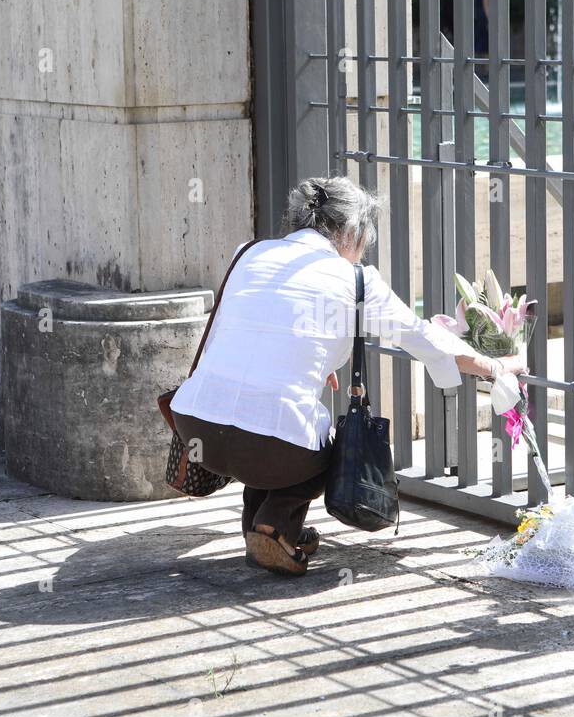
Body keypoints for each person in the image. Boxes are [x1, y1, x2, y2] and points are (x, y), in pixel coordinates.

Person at [170, 176, 526, 577]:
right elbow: (425, 338)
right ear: (351, 232)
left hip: (198, 427)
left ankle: (263, 529)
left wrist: (314, 366)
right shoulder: (356, 279)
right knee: (325, 442)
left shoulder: (248, 253)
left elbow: (245, 336)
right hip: (267, 445)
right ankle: (274, 522)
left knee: (276, 419)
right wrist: (495, 366)